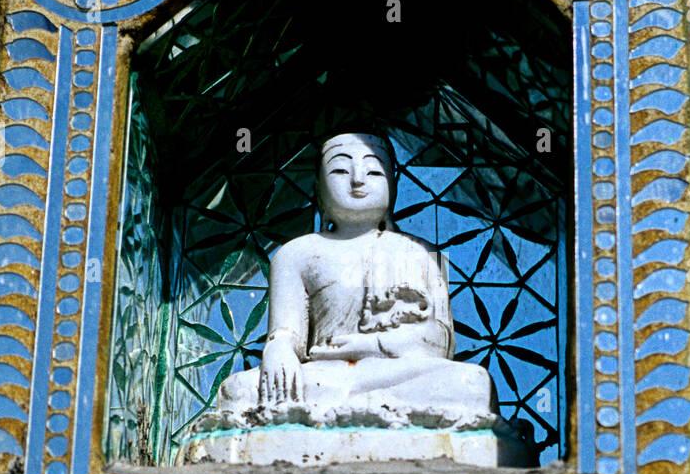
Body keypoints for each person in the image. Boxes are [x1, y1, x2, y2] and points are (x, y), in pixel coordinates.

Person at [211, 130, 500, 428]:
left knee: (472, 383)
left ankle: (343, 409)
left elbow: (439, 341)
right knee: (238, 392)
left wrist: (369, 345)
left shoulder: (422, 253)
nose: (358, 180)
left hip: (397, 373)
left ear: (393, 186)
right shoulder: (296, 253)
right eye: (339, 170)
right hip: (324, 374)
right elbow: (286, 332)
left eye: (374, 171)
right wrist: (279, 350)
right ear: (318, 188)